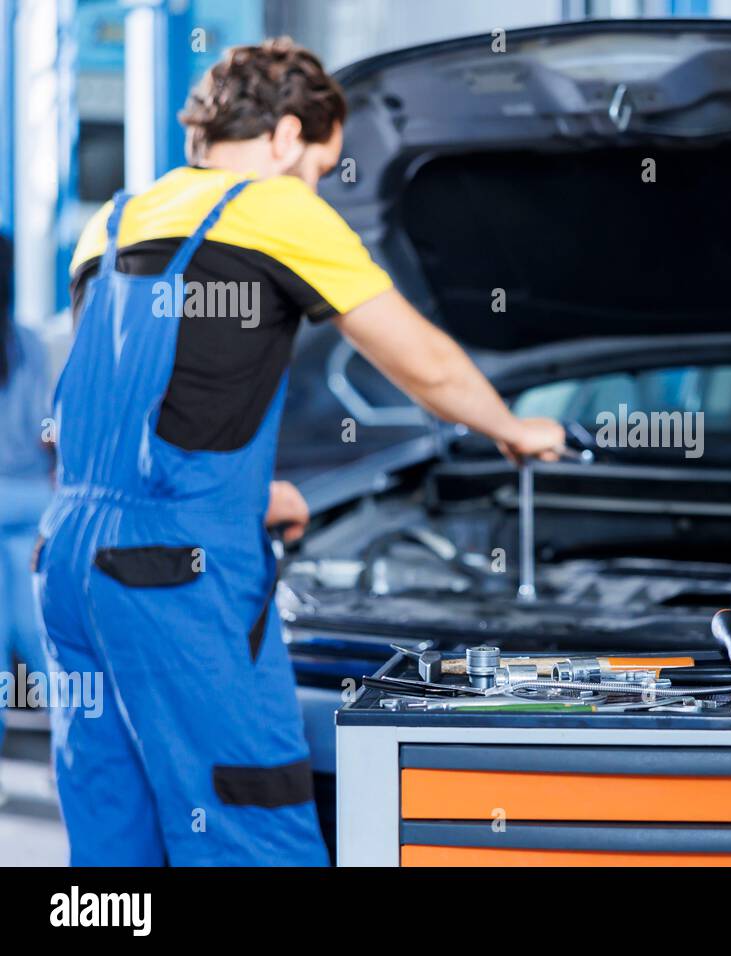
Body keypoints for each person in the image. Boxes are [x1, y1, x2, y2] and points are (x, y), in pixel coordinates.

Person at [39, 38, 564, 865]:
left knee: (113, 833)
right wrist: (512, 427)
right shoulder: (278, 209)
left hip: (68, 564)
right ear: (286, 138)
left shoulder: (113, 218)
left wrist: (253, 495)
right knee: (252, 815)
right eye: (322, 166)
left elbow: (142, 412)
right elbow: (421, 360)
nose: (318, 185)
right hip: (178, 576)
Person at [0, 233, 52, 799]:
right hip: (33, 506)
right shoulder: (31, 345)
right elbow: (49, 431)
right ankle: (71, 762)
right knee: (42, 643)